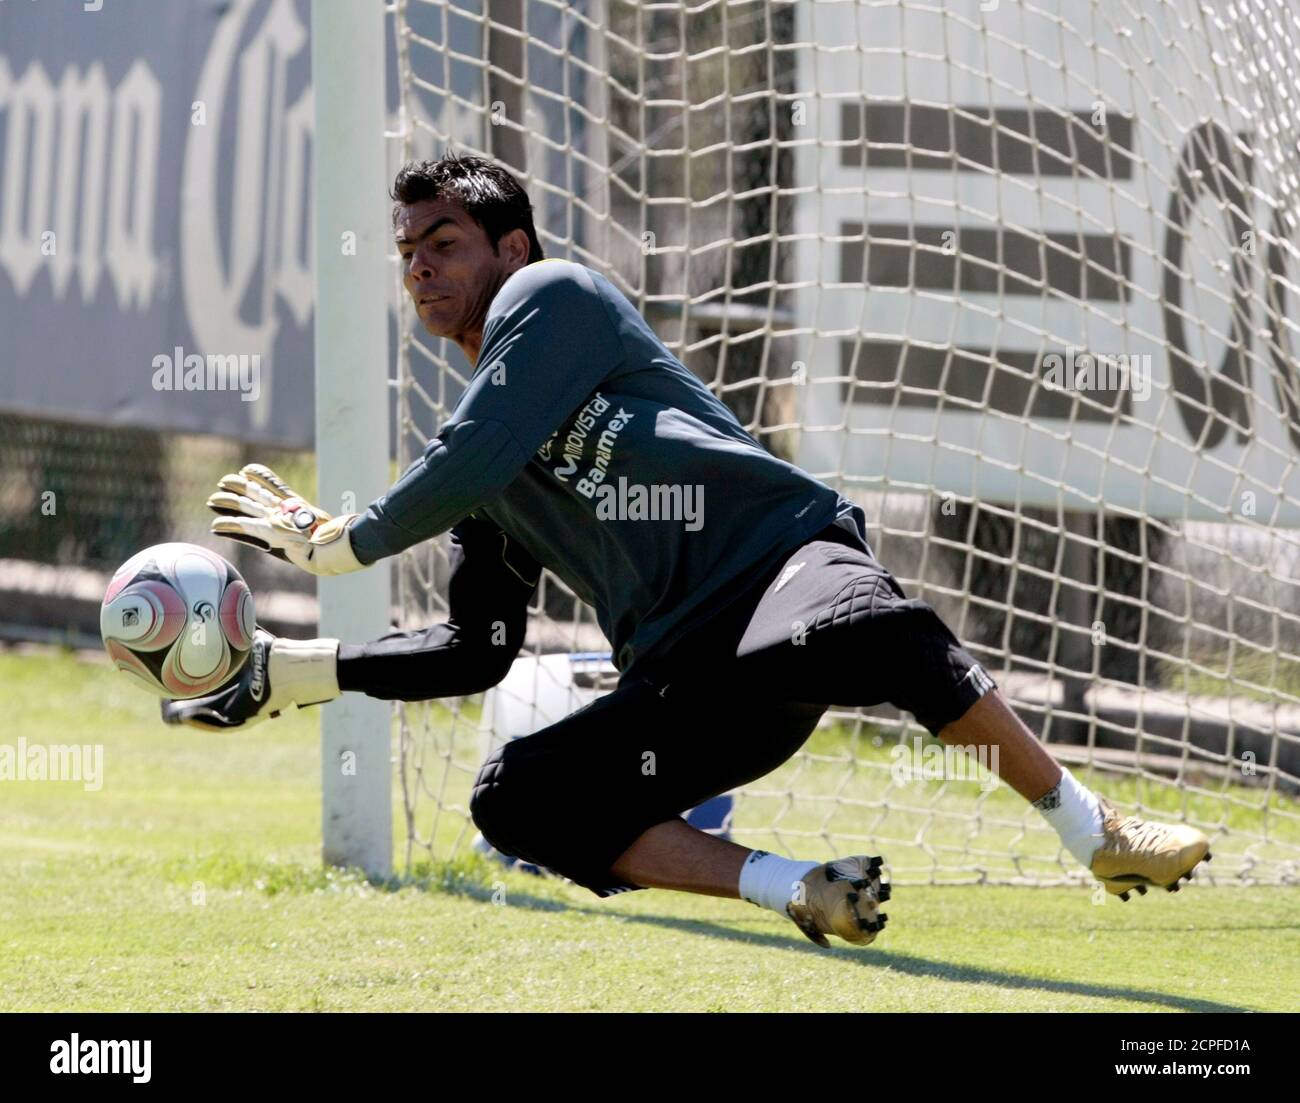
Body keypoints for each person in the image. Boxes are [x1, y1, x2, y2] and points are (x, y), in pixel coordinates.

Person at [164, 152, 1211, 948]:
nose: (419, 270)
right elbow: (478, 647)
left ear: (510, 250)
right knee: (514, 798)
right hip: (700, 681)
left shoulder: (553, 299)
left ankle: (1091, 827)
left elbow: (470, 449)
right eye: (406, 254)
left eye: (442, 242)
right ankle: (798, 887)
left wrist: (344, 544)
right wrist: (290, 670)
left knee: (879, 627)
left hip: (782, 562)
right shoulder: (482, 472)